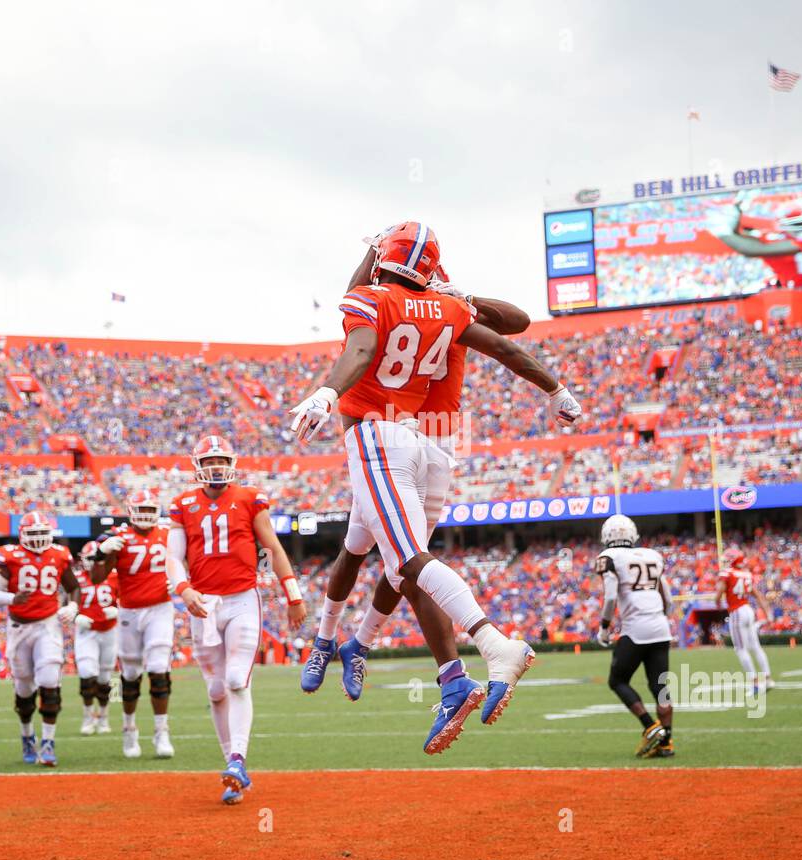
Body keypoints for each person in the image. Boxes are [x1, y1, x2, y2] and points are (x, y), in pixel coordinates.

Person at [290, 221, 581, 753]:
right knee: (376, 554)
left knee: (402, 561)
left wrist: (326, 393)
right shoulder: (446, 309)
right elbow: (509, 345)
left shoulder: (379, 298)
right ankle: (350, 644)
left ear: (387, 262)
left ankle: (489, 645)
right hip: (426, 441)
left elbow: (357, 342)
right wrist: (556, 388)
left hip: (385, 437)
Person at [166, 434, 307, 804]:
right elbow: (173, 556)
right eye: (209, 460)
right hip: (204, 605)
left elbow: (273, 547)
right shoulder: (182, 504)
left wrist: (293, 594)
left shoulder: (249, 498)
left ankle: (238, 761)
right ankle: (232, 765)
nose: (216, 467)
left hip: (243, 599)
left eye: (221, 460)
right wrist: (184, 590)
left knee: (235, 680)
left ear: (232, 464)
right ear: (197, 465)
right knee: (215, 691)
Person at [0, 511, 80, 765]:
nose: (38, 540)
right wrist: (12, 598)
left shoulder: (59, 555)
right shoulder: (10, 556)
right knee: (24, 688)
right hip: (18, 627)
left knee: (49, 678)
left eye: (42, 534)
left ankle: (48, 743)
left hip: (47, 625)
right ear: (22, 536)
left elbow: (73, 587)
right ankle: (27, 735)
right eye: (33, 534)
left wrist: (72, 607)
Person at [92, 489, 176, 758]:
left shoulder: (168, 534)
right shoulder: (119, 538)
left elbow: (185, 561)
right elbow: (96, 578)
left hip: (160, 608)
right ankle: (129, 729)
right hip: (129, 612)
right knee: (129, 675)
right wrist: (100, 554)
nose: (146, 516)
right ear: (130, 512)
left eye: (151, 511)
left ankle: (161, 732)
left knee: (159, 668)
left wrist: (178, 579)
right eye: (142, 511)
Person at [594, 516, 674, 758]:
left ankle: (651, 727)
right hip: (660, 627)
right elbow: (668, 599)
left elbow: (609, 597)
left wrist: (605, 628)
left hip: (636, 628)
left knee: (617, 680)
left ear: (606, 536)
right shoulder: (652, 555)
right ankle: (667, 743)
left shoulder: (608, 558)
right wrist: (659, 617)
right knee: (660, 688)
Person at [73, 540, 119, 735]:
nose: (91, 562)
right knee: (86, 673)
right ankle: (87, 716)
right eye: (88, 559)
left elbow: (126, 599)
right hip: (87, 632)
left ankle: (103, 717)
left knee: (105, 678)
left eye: (94, 558)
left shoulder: (115, 575)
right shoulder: (76, 578)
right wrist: (75, 616)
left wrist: (117, 610)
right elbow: (64, 604)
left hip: (109, 631)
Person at [715, 546, 775, 694]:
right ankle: (768, 679)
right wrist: (767, 612)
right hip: (748, 610)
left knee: (741, 649)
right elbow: (758, 595)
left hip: (737, 612)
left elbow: (718, 594)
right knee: (755, 646)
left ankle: (755, 684)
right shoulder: (746, 574)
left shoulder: (728, 573)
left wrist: (718, 604)